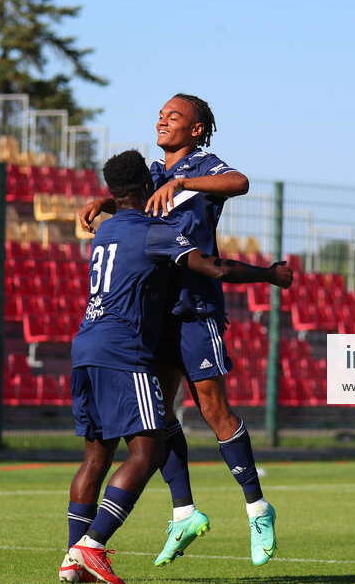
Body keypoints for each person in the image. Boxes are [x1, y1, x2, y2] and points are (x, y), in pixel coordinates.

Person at [61, 151, 293, 583]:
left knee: (99, 454)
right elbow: (215, 267)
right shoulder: (154, 232)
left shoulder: (106, 232)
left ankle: (75, 558)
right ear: (146, 191)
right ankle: (91, 547)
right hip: (125, 347)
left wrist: (111, 201)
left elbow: (237, 182)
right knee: (145, 450)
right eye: (161, 115)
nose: (162, 122)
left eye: (172, 115)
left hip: (87, 345)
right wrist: (268, 275)